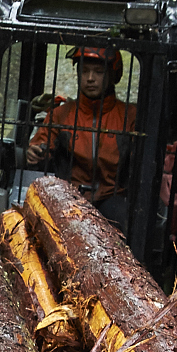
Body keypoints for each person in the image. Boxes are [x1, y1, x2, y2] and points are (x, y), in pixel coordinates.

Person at [24, 44, 136, 224]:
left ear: (113, 75)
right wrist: (35, 153)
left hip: (112, 197)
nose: (90, 78)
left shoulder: (129, 116)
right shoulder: (61, 114)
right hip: (69, 196)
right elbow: (40, 143)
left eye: (98, 72)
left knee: (124, 218)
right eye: (84, 71)